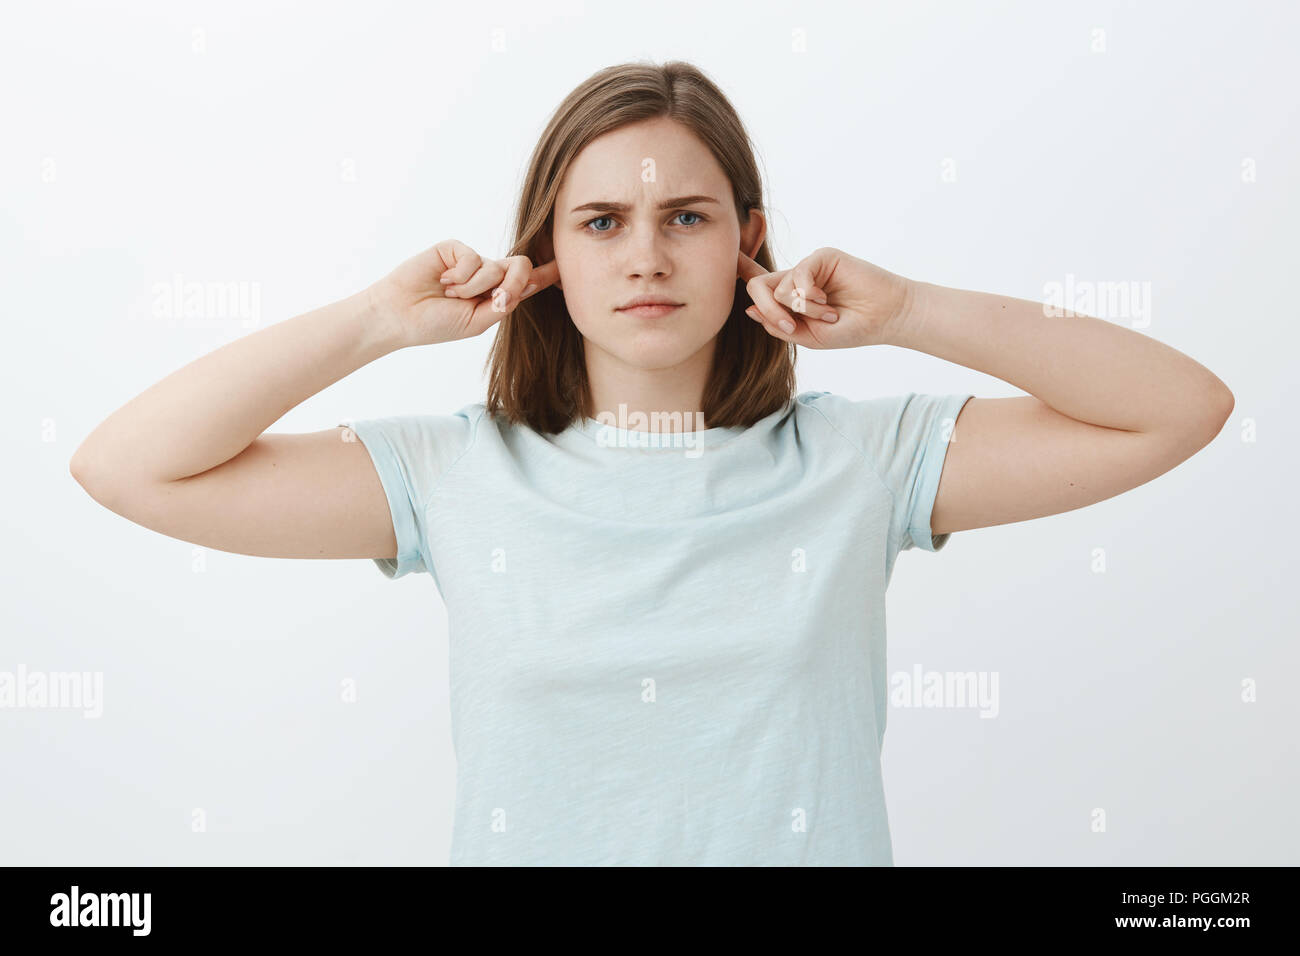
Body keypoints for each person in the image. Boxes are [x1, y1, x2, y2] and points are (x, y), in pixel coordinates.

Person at [70, 60, 1234, 866]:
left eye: (686, 217)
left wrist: (912, 309)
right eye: (600, 223)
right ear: (546, 256)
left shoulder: (858, 458)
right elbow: (130, 467)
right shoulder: (452, 474)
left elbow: (1176, 409)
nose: (646, 256)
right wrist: (377, 320)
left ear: (747, 240)